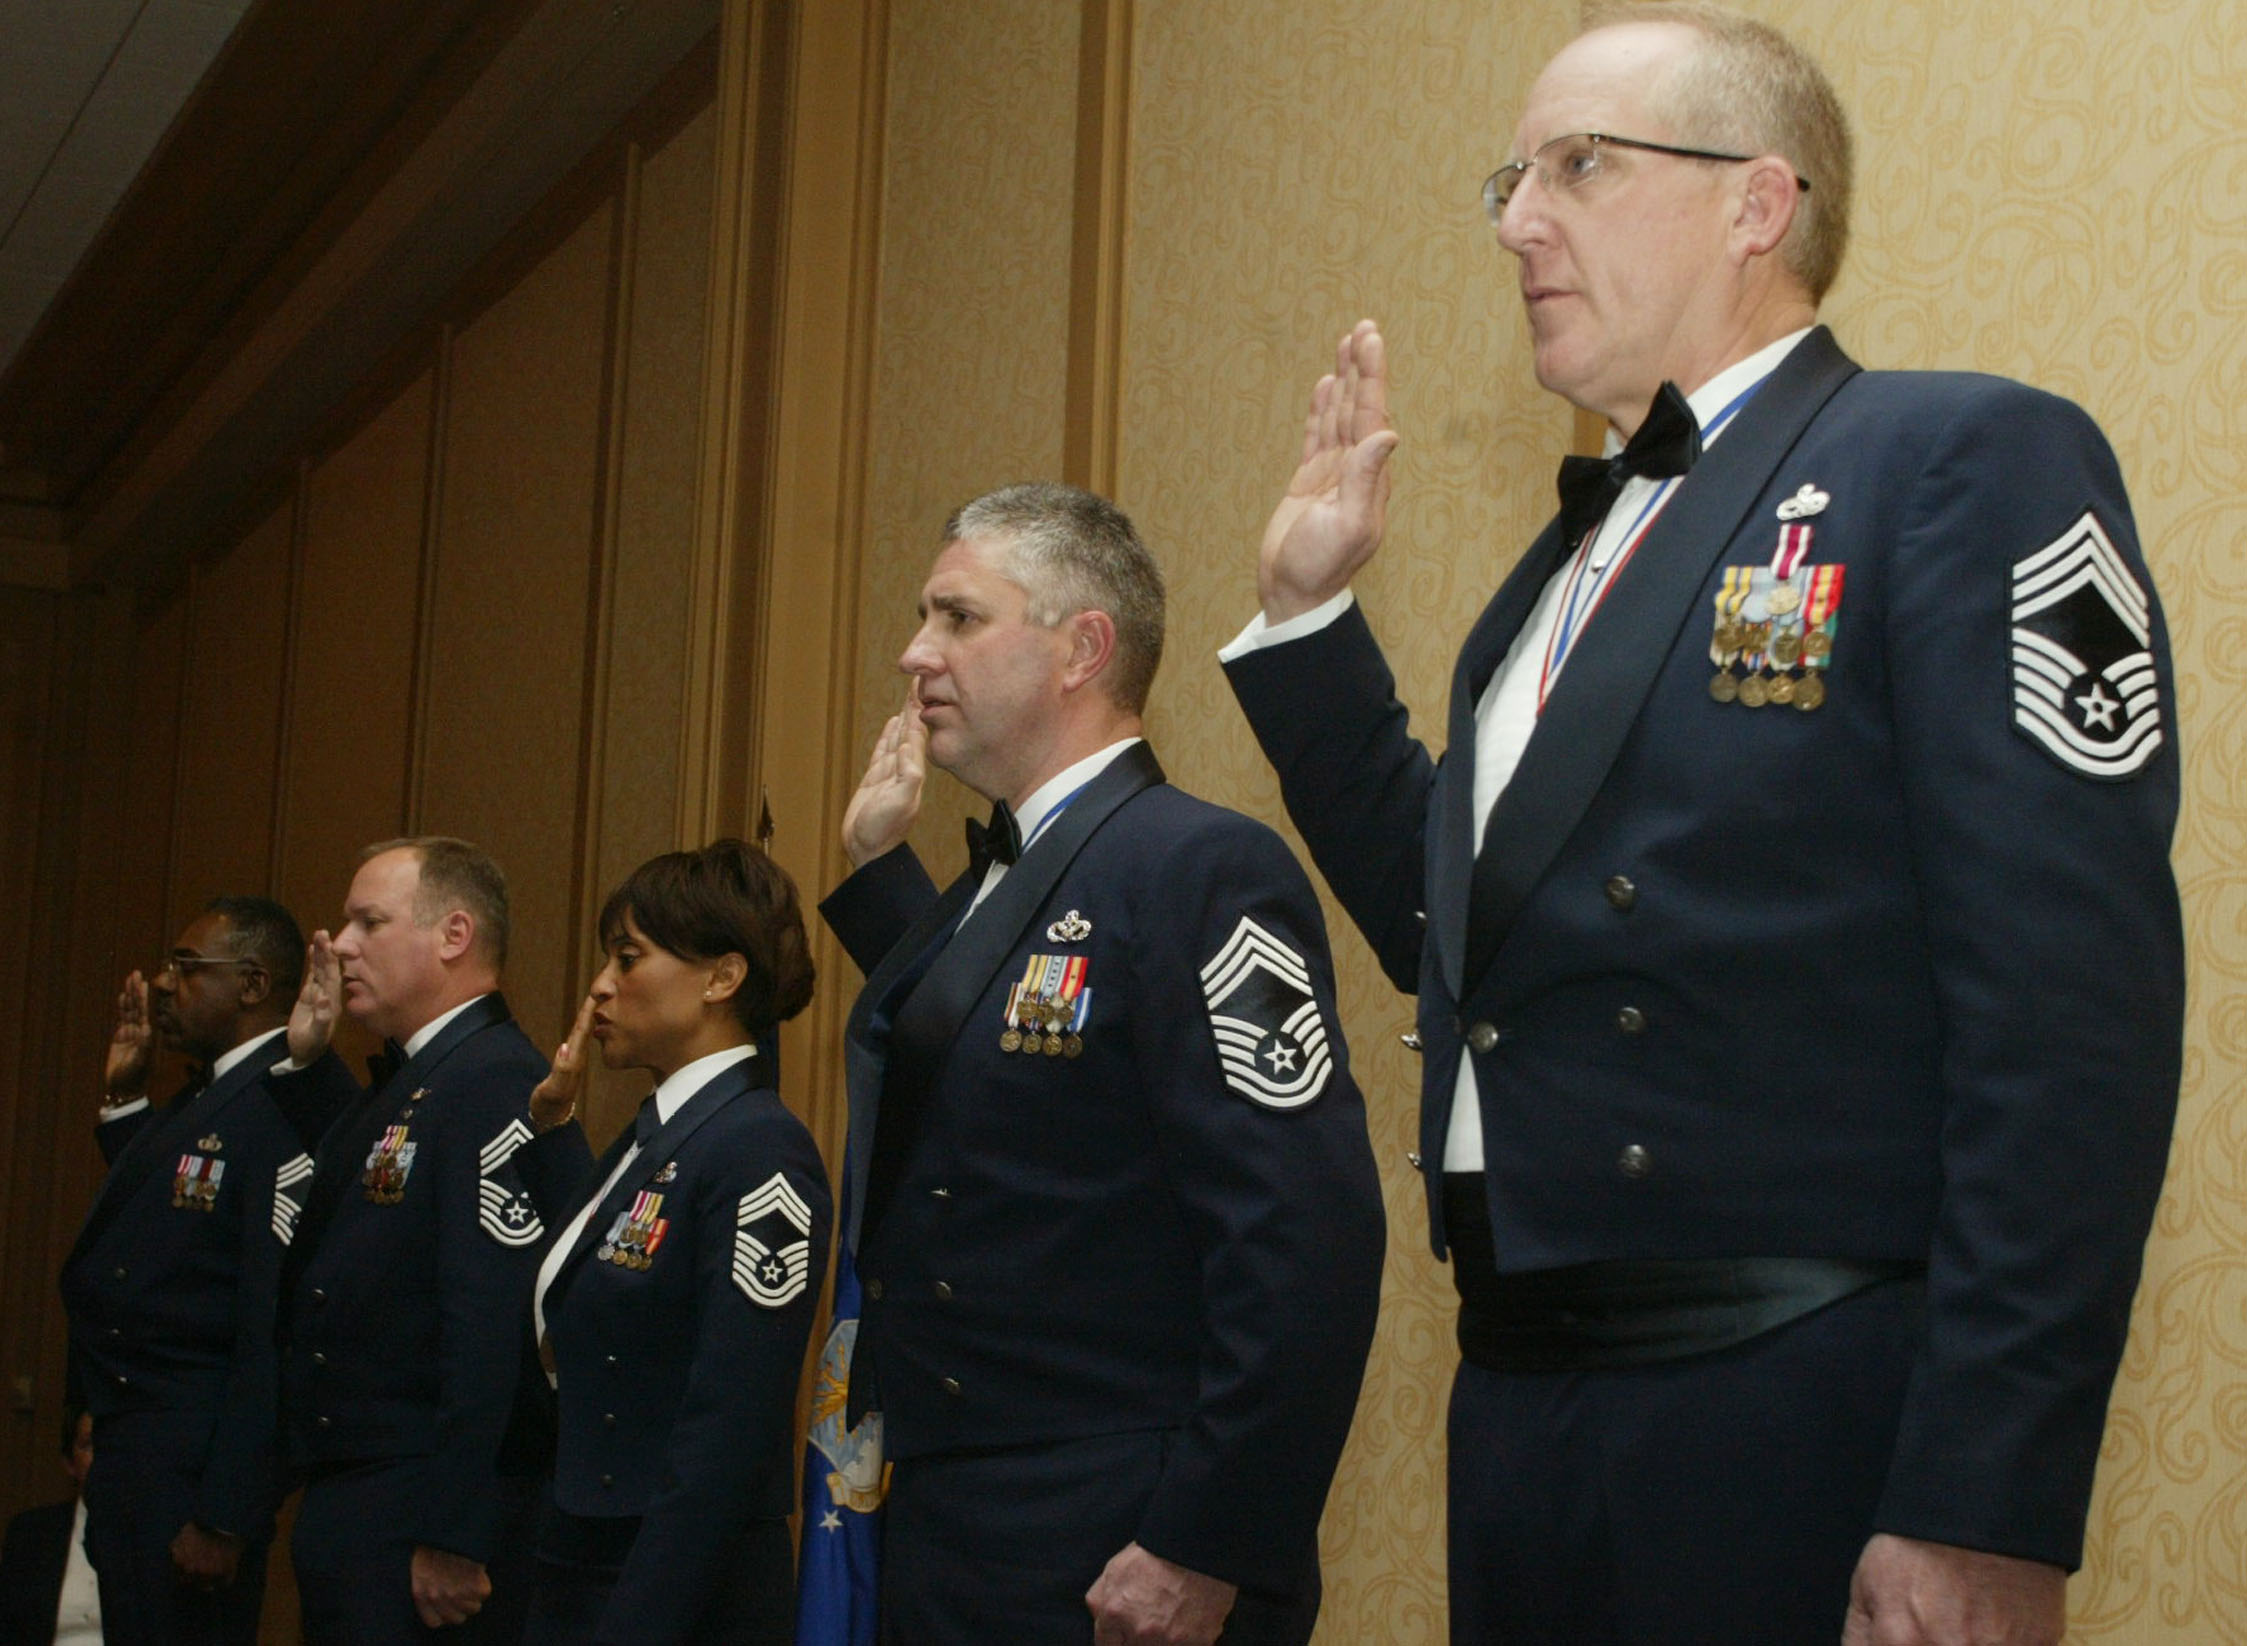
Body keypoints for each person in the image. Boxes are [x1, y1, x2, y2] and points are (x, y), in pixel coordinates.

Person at [1220, 5, 2184, 1643]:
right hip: (1524, 1398)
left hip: (1795, 1400)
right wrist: (1309, 629)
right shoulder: (1545, 585)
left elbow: (2068, 1014)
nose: (1519, 221)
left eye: (1577, 166)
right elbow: (1473, 943)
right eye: (1509, 180)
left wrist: (1981, 1497)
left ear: (1759, 201)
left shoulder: (1949, 460)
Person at [823, 482, 1384, 1646]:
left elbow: (1304, 1238)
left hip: (1119, 1530)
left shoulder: (1204, 868)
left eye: (959, 618)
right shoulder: (1009, 881)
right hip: (955, 1513)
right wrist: (881, 874)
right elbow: (1001, 1063)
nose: (913, 651)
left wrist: (1209, 1539)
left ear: (1083, 647)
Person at [506, 839, 831, 1646]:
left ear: (722, 978)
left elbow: (730, 1424)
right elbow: (594, 1280)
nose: (600, 986)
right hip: (588, 1549)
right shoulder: (661, 1132)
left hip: (677, 1587)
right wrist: (551, 1130)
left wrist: (638, 1621)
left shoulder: (758, 1147)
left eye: (628, 958)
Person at [279, 836, 591, 1643]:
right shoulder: (429, 1075)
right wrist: (310, 1067)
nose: (341, 945)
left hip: (419, 1506)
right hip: (368, 1494)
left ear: (453, 936)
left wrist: (457, 1530)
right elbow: (373, 1204)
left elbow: (488, 1327)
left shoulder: (490, 1083)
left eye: (368, 923)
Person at [58, 897, 357, 1646]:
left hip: (193, 1470)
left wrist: (228, 1512)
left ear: (253, 985)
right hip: (143, 1460)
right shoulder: (208, 1092)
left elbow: (269, 1328)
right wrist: (124, 1101)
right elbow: (167, 1227)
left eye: (187, 969)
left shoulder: (280, 1100)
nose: (163, 984)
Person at [0, 1409, 98, 1646]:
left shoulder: (157, 1536)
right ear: (69, 1463)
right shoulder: (32, 1533)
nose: (101, 1456)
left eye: (111, 1444)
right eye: (88, 1445)